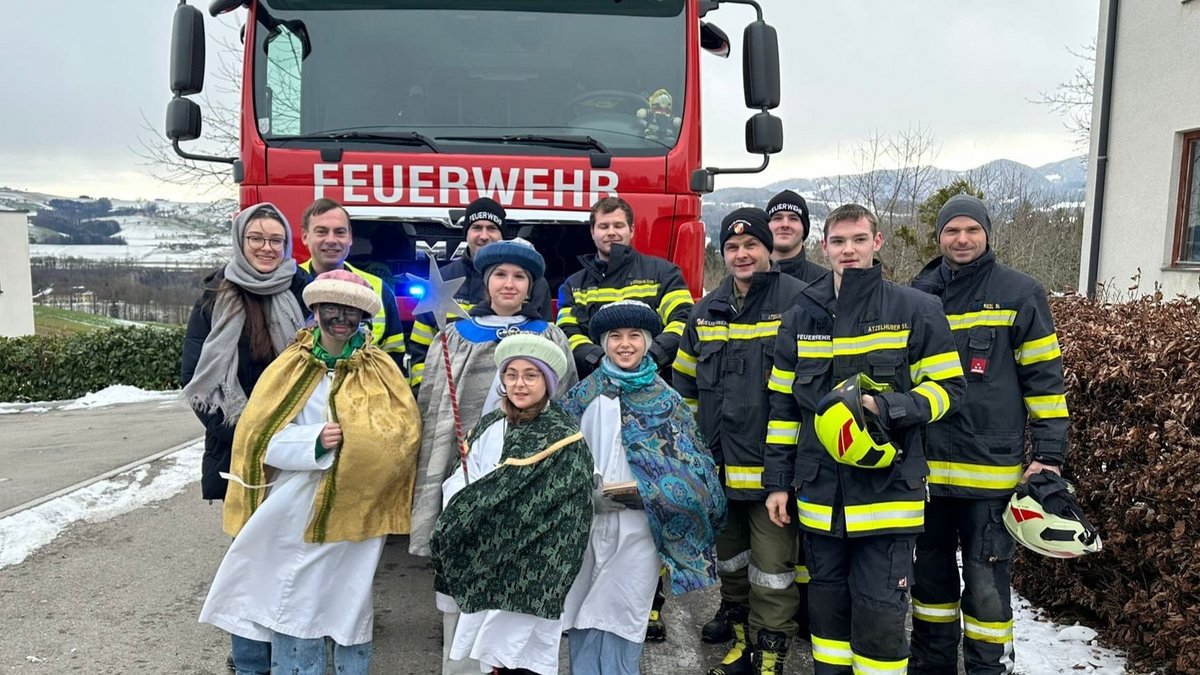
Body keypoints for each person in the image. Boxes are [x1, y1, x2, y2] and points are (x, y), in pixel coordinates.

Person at [764, 203, 965, 675]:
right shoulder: (801, 316)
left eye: (858, 240)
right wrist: (777, 481)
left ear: (877, 243)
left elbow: (949, 391)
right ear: (825, 247)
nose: (848, 250)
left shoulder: (916, 308)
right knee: (827, 623)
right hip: (819, 499)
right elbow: (783, 409)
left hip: (887, 496)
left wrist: (889, 406)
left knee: (879, 622)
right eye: (838, 241)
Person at [199, 270, 421, 675]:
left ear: (362, 317)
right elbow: (258, 436)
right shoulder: (290, 366)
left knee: (348, 605)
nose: (341, 318)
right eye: (331, 309)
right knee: (292, 603)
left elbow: (402, 435)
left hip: (355, 515)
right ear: (315, 310)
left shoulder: (382, 370)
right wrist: (313, 442)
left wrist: (368, 447)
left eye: (351, 311)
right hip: (294, 507)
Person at [908, 194, 1070, 675]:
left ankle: (989, 665)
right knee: (930, 579)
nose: (962, 239)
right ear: (938, 236)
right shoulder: (918, 292)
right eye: (952, 231)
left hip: (990, 471)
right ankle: (932, 662)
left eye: (971, 230)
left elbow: (1044, 379)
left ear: (986, 234)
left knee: (986, 581)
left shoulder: (1020, 292)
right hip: (930, 470)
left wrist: (1049, 454)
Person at [406, 240, 577, 675]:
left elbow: (568, 409)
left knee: (517, 592)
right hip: (465, 476)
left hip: (527, 486)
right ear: (486, 281)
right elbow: (434, 407)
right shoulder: (455, 337)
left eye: (519, 277)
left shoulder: (550, 337)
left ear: (530, 286)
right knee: (464, 590)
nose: (509, 283)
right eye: (501, 274)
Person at [673, 208, 808, 675]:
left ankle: (767, 657)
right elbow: (686, 390)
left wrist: (788, 473)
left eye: (751, 244)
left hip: (773, 473)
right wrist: (692, 459)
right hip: (719, 469)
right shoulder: (705, 310)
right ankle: (739, 635)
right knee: (730, 562)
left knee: (772, 572)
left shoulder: (799, 303)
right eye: (732, 247)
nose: (742, 254)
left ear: (768, 248)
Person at [559, 300, 726, 673]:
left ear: (647, 341)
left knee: (625, 608)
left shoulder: (668, 401)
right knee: (583, 605)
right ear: (603, 343)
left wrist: (653, 493)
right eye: (615, 336)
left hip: (639, 529)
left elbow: (693, 468)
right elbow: (560, 454)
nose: (625, 344)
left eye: (634, 336)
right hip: (588, 524)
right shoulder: (582, 397)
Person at [181, 202, 307, 675]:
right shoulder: (215, 297)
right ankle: (251, 661)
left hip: (297, 449)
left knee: (291, 560)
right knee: (247, 562)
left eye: (276, 240)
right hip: (238, 452)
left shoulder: (302, 290)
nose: (266, 247)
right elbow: (197, 381)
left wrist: (295, 442)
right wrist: (250, 440)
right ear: (240, 240)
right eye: (256, 238)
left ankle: (292, 655)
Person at [430, 333, 594, 675]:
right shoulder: (490, 424)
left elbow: (569, 513)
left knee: (518, 657)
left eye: (531, 375)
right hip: (484, 559)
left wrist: (488, 510)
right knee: (483, 657)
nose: (519, 384)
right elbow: (462, 479)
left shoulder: (564, 437)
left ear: (547, 382)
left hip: (530, 571)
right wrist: (468, 503)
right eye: (511, 374)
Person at [407, 197, 554, 391]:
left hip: (516, 394)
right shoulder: (440, 281)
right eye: (476, 227)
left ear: (502, 235)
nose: (484, 236)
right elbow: (421, 348)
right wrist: (425, 393)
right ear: (466, 233)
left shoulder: (533, 283)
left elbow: (545, 345)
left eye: (492, 228)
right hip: (453, 396)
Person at [557, 196, 694, 380]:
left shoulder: (664, 273)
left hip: (654, 380)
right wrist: (599, 361)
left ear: (632, 230)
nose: (611, 232)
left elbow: (683, 320)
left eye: (618, 226)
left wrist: (650, 357)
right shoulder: (573, 285)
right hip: (595, 383)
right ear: (592, 232)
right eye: (604, 226)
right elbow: (566, 332)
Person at [297, 197, 407, 373]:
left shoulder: (377, 288)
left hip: (364, 393)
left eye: (340, 232)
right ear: (305, 236)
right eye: (321, 232)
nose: (331, 240)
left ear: (350, 238)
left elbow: (393, 360)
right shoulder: (289, 284)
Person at [766, 190, 827, 284]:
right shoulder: (747, 279)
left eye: (793, 218)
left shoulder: (824, 282)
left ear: (804, 229)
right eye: (777, 218)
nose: (785, 224)